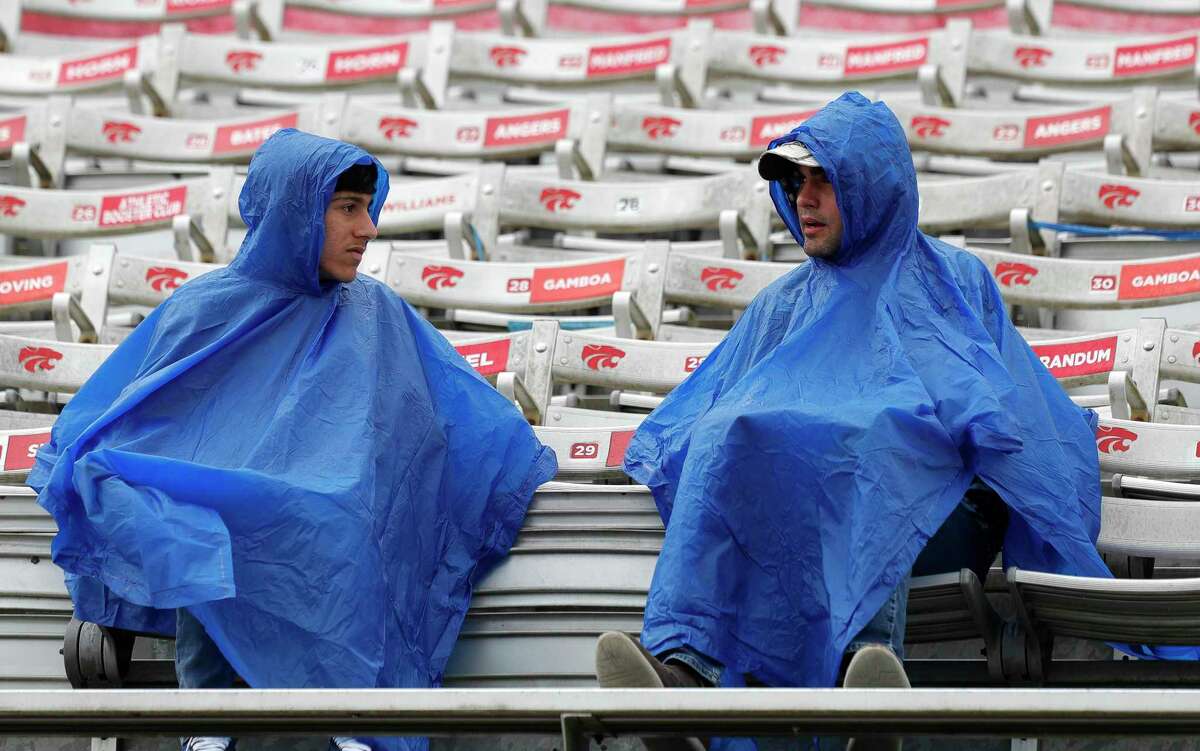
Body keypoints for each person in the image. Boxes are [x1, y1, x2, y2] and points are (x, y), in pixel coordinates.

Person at [594, 93, 1195, 751]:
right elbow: (703, 418)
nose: (804, 199)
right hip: (807, 514)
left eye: (823, 179)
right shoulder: (781, 304)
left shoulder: (954, 281)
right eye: (794, 182)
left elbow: (1018, 414)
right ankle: (684, 677)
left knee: (874, 442)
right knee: (724, 440)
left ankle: (870, 682)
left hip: (940, 513)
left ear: (870, 184)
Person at [30, 129, 557, 751]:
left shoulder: (377, 312)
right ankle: (209, 722)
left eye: (368, 209)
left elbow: (443, 424)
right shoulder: (205, 307)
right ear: (295, 211)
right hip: (242, 513)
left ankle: (358, 719)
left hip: (338, 509)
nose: (368, 229)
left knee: (342, 518)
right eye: (347, 209)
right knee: (196, 517)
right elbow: (129, 426)